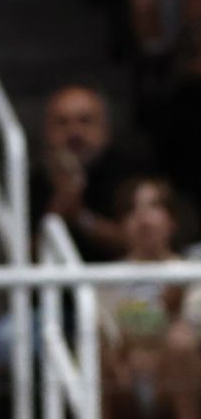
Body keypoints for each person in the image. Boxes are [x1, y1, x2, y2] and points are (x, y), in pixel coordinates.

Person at [98, 178, 201, 419]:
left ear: (172, 220)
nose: (143, 219)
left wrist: (172, 310)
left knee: (180, 342)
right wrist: (121, 354)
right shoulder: (104, 279)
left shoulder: (193, 272)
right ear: (121, 225)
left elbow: (192, 340)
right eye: (132, 210)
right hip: (126, 385)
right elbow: (104, 339)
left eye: (153, 207)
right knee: (97, 352)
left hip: (175, 380)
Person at [30, 85, 136, 261]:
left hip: (118, 283)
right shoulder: (31, 182)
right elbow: (20, 256)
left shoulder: (130, 175)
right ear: (47, 133)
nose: (74, 132)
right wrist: (59, 206)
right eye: (62, 123)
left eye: (85, 121)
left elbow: (138, 243)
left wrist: (80, 217)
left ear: (105, 128)